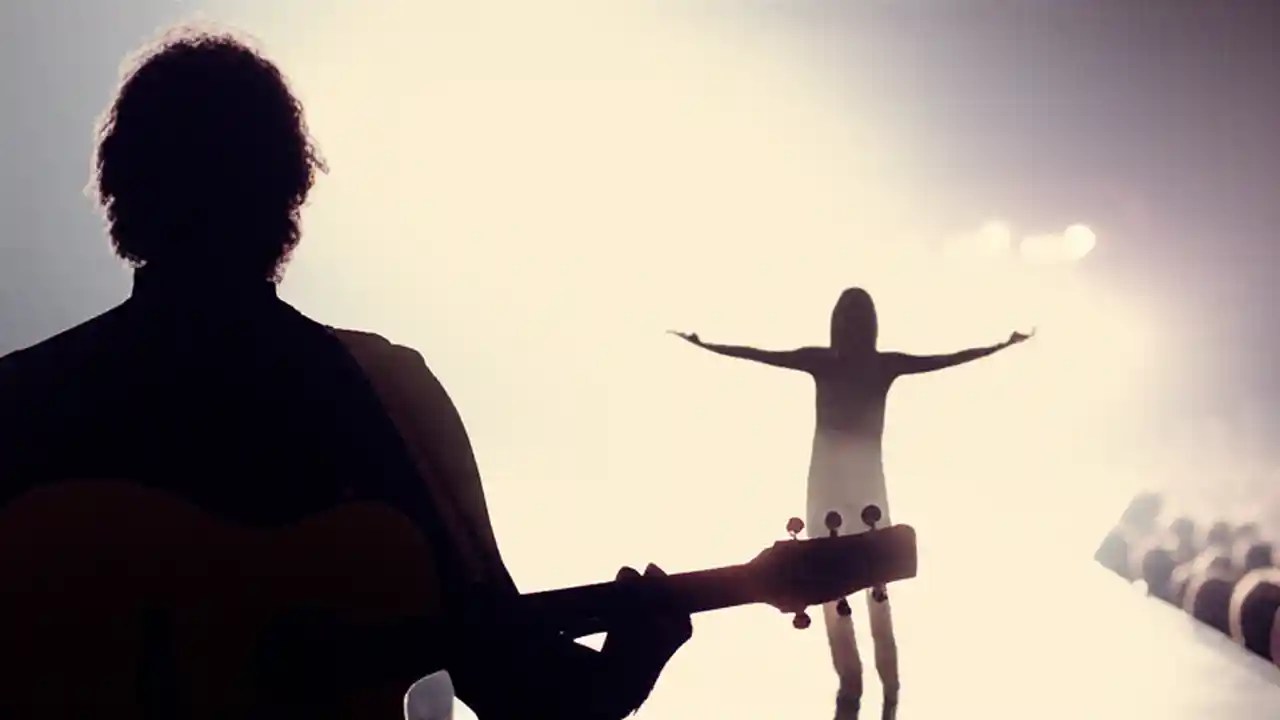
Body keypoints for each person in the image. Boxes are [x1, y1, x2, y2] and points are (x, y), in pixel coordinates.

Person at [0, 26, 689, 718]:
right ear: (287, 188)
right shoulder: (381, 394)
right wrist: (628, 664)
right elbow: (519, 680)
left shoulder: (23, 395)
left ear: (125, 189)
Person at [672, 287, 1032, 719]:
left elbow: (945, 359)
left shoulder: (870, 364)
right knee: (835, 578)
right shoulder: (833, 361)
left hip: (858, 476)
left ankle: (884, 687)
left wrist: (998, 346)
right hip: (832, 476)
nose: (850, 327)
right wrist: (708, 345)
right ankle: (854, 685)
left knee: (873, 577)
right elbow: (762, 355)